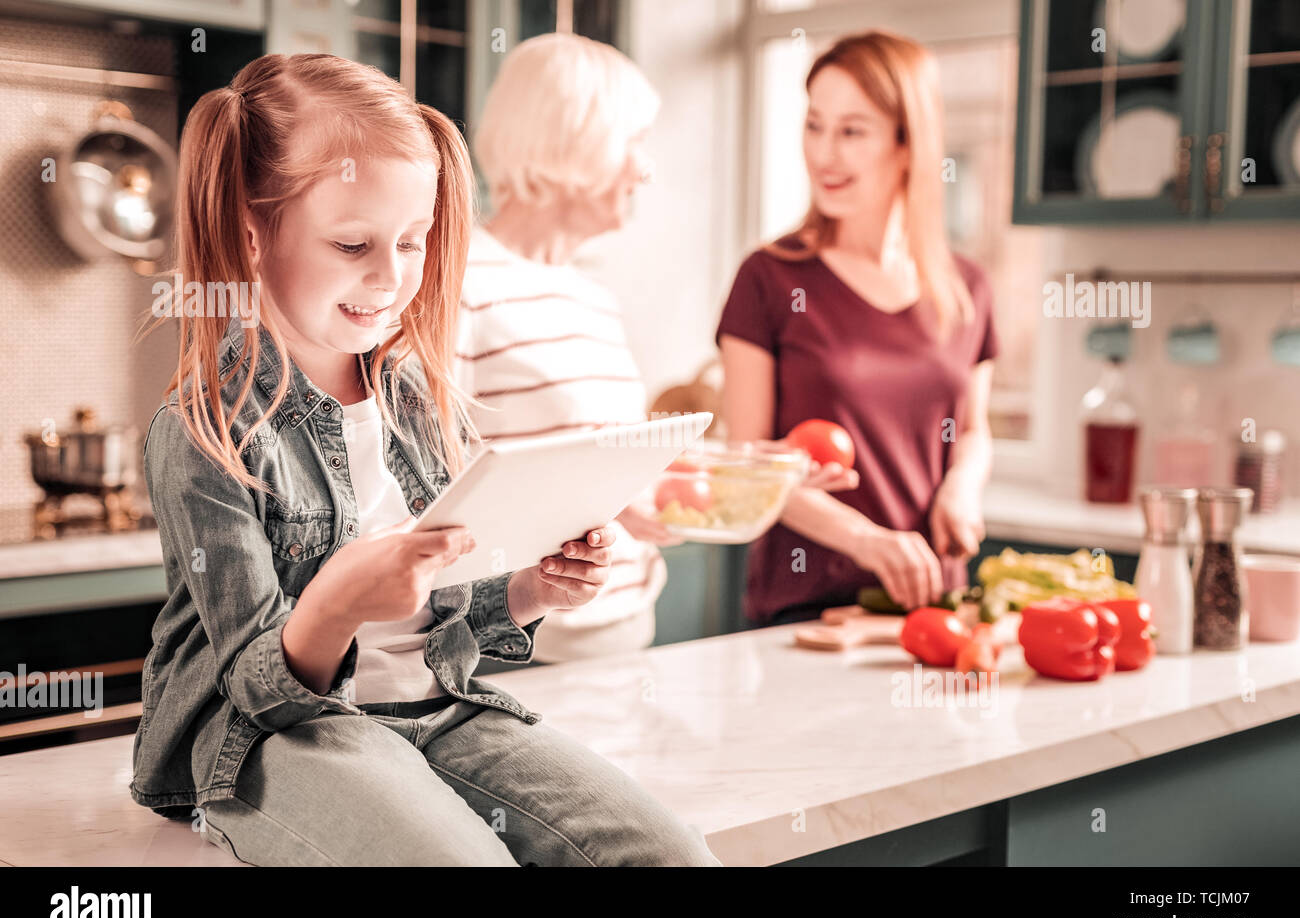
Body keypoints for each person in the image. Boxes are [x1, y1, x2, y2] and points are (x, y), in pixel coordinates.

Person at [133, 52, 719, 866]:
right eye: (351, 243)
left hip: (440, 706)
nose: (391, 276)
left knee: (674, 856)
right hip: (283, 737)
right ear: (250, 232)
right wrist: (334, 606)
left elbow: (442, 623)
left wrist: (529, 590)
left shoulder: (415, 398)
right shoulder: (205, 430)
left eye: (413, 242)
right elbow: (254, 686)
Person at [717, 31, 998, 628]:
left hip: (933, 606)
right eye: (814, 125)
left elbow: (973, 431)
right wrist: (866, 540)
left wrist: (961, 489)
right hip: (806, 612)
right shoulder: (767, 279)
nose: (824, 153)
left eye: (852, 131)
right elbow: (749, 461)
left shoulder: (965, 286)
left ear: (907, 145)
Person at [455, 33, 681, 662]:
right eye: (632, 142)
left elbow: (598, 456)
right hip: (521, 649)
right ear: (571, 144)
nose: (645, 167)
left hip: (627, 628)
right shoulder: (460, 283)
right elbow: (426, 479)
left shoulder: (593, 296)